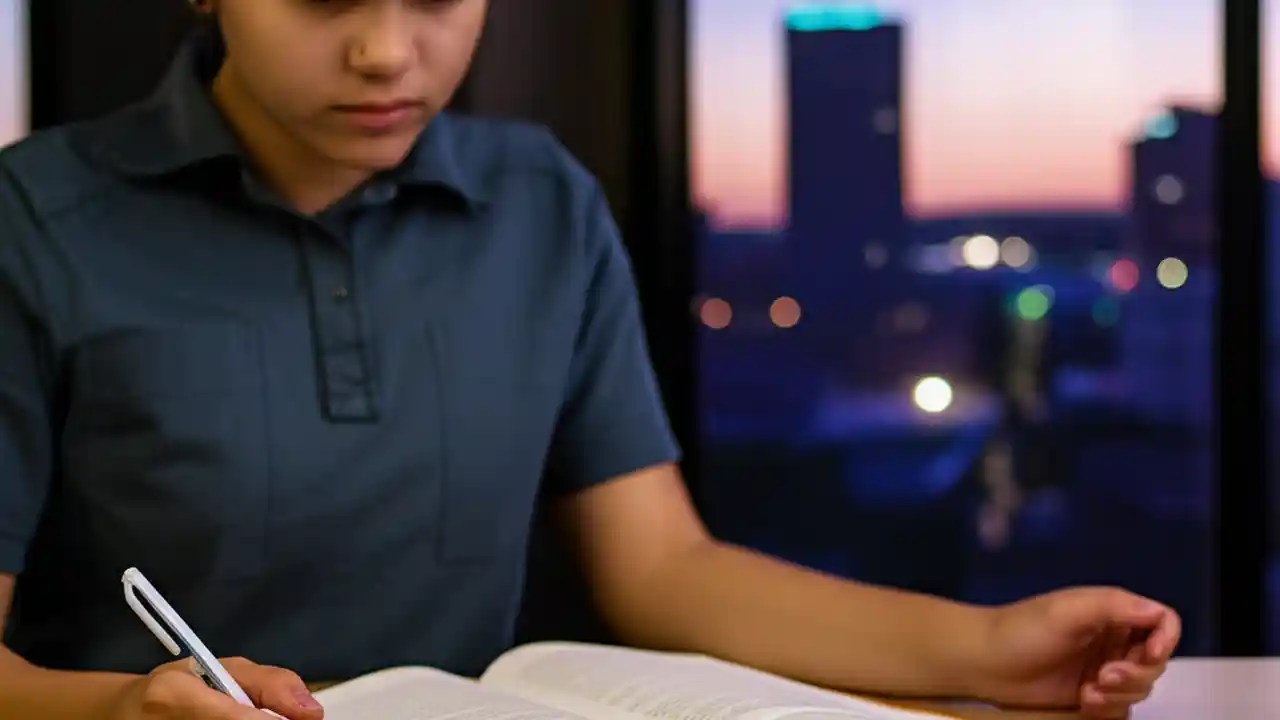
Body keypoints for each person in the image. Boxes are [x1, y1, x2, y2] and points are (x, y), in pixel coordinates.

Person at [0, 2, 1180, 719]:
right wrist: (121, 710)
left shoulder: (537, 202)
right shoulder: (36, 222)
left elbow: (661, 569)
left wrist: (984, 651)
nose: (383, 50)